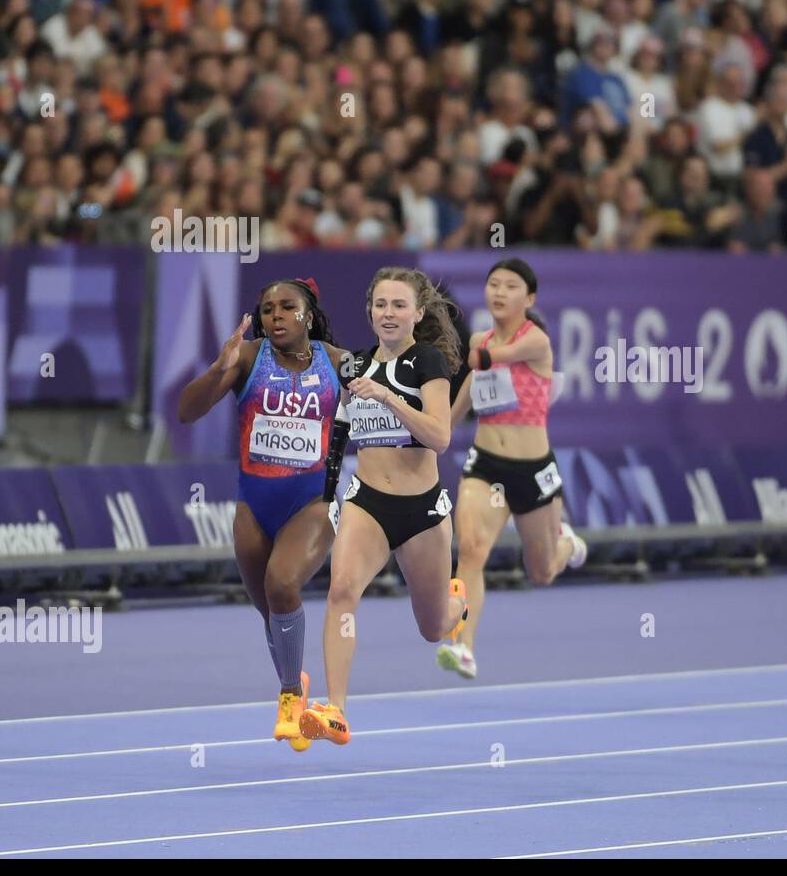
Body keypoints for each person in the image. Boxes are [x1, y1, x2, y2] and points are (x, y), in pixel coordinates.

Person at [298, 268, 468, 744]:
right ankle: (336, 709)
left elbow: (439, 436)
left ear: (417, 312)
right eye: (380, 305)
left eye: (398, 305)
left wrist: (390, 397)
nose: (388, 314)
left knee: (433, 628)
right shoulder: (354, 364)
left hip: (422, 513)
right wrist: (324, 495)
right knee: (341, 592)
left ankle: (458, 603)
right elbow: (339, 436)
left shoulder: (427, 361)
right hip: (367, 503)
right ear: (369, 311)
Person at [177, 278, 347, 752]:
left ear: (308, 315)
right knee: (269, 610)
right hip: (254, 506)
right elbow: (187, 411)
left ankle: (290, 695)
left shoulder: (337, 363)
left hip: (313, 503)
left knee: (282, 583)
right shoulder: (249, 358)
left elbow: (381, 410)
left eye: (287, 307)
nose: (275, 315)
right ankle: (295, 678)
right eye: (267, 308)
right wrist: (219, 368)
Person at [438, 258, 586, 680]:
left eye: (511, 286)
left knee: (540, 572)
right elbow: (458, 407)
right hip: (486, 465)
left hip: (534, 470)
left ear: (530, 298)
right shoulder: (480, 343)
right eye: (493, 285)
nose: (499, 292)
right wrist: (433, 435)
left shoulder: (535, 340)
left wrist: (476, 353)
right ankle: (462, 646)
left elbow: (496, 355)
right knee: (470, 549)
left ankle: (567, 545)